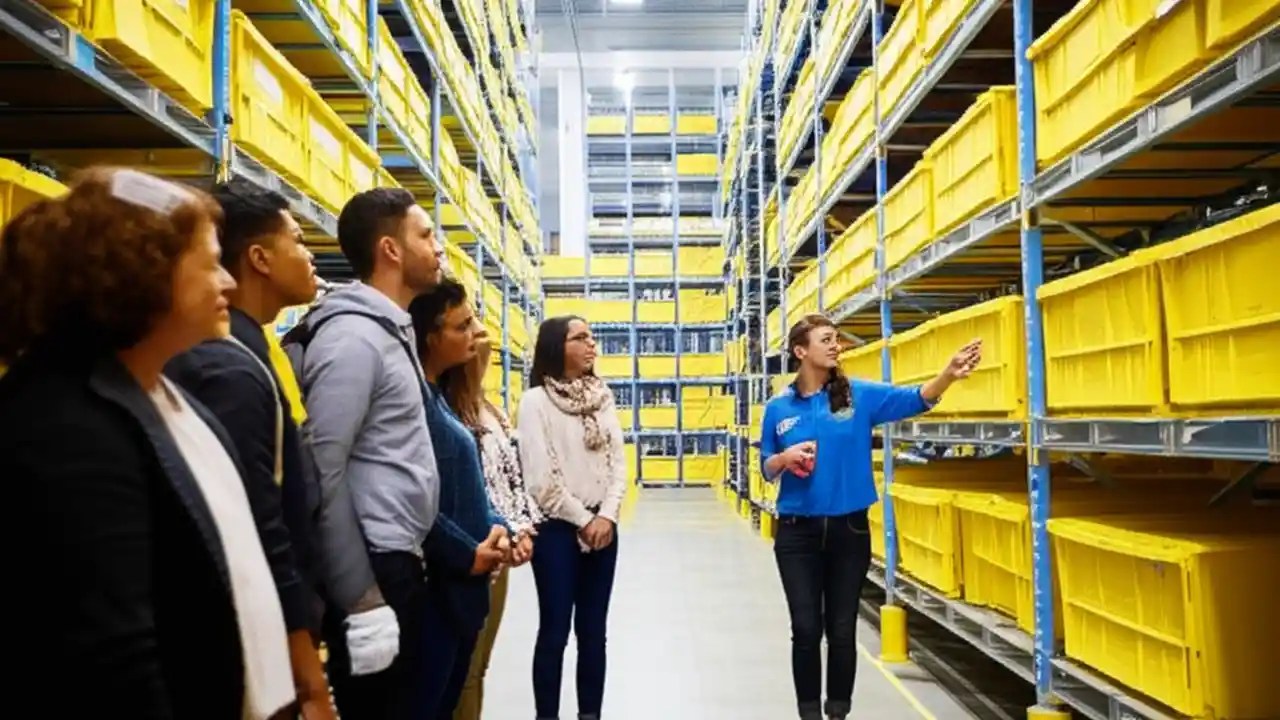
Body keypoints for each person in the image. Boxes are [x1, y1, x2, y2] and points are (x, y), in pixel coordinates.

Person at [0, 167, 294, 718]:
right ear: (141, 273)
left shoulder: (165, 395)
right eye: (209, 264)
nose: (229, 282)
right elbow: (112, 659)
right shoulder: (65, 428)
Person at [164, 180, 335, 719]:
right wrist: (305, 671)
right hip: (247, 647)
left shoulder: (256, 348)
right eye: (297, 240)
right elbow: (257, 528)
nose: (309, 255)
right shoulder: (228, 365)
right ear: (259, 257)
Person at [759, 314, 981, 720]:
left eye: (836, 340)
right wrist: (784, 459)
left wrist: (948, 375)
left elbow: (915, 398)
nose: (835, 346)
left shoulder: (857, 397)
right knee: (806, 630)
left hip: (849, 530)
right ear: (800, 351)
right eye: (825, 340)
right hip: (797, 534)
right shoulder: (778, 408)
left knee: (842, 631)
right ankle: (808, 713)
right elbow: (765, 467)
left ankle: (838, 712)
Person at [285, 187, 443, 719]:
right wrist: (362, 597)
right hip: (375, 569)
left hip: (397, 560)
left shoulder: (384, 331)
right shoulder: (353, 339)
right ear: (390, 250)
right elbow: (322, 469)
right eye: (425, 234)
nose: (438, 246)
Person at [407, 279, 510, 719]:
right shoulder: (419, 405)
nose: (474, 334)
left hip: (467, 576)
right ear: (431, 337)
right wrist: (468, 550)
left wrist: (496, 522)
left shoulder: (440, 400)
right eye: (462, 325)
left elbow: (467, 482)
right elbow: (420, 499)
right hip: (442, 585)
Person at [518, 315, 627, 720]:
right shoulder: (535, 402)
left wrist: (609, 516)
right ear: (555, 347)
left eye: (591, 337)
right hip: (557, 531)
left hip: (604, 529)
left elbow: (618, 462)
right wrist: (584, 519)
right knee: (554, 631)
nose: (591, 344)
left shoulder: (602, 395)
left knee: (594, 634)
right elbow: (542, 481)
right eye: (579, 338)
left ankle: (589, 715)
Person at [448, 325, 542, 720]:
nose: (482, 339)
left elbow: (510, 478)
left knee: (480, 664)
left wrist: (520, 528)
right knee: (466, 668)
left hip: (499, 550)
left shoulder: (492, 410)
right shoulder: (450, 410)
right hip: (471, 549)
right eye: (472, 335)